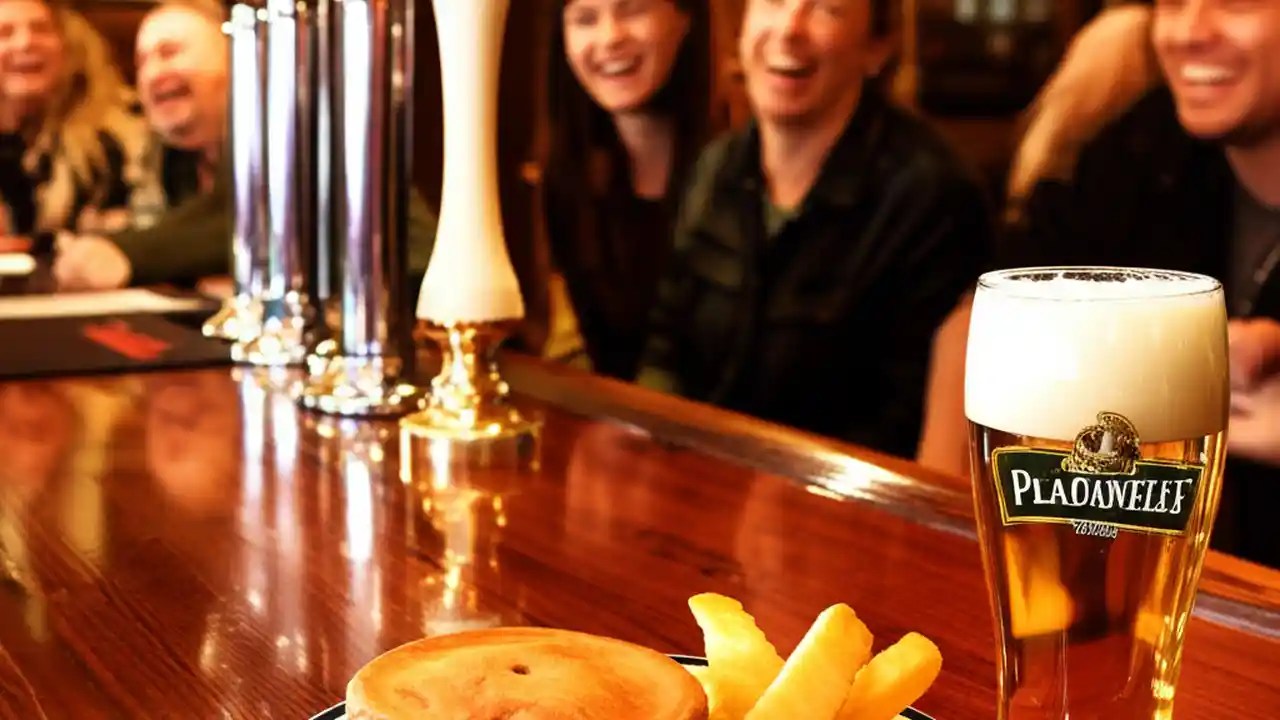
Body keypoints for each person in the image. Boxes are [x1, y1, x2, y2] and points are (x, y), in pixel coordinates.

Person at [923, 0, 1280, 566]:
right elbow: (985, 313)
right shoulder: (1145, 148)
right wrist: (941, 536)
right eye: (1172, 4)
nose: (1189, 31)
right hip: (1170, 601)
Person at [636, 0, 992, 459]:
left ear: (876, 50)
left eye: (828, 8)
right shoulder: (715, 168)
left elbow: (915, 435)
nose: (789, 28)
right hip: (704, 486)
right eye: (773, 2)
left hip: (845, 514)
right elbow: (665, 349)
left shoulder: (934, 194)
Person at [538, 0, 724, 378]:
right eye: (585, 19)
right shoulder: (564, 177)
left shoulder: (738, 165)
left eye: (634, 9)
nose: (610, 37)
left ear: (685, 18)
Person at [0, 1, 149, 248]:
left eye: (40, 29)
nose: (25, 42)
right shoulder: (12, 145)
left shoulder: (117, 135)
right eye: (5, 33)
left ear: (68, 47)